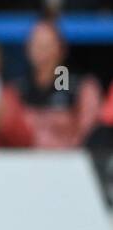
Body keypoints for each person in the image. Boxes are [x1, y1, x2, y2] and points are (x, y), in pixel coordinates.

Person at [15, 19, 103, 149]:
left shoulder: (81, 86)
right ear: (27, 49)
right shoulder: (17, 88)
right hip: (21, 162)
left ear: (62, 49)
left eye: (47, 46)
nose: (41, 52)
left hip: (70, 162)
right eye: (37, 45)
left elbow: (90, 134)